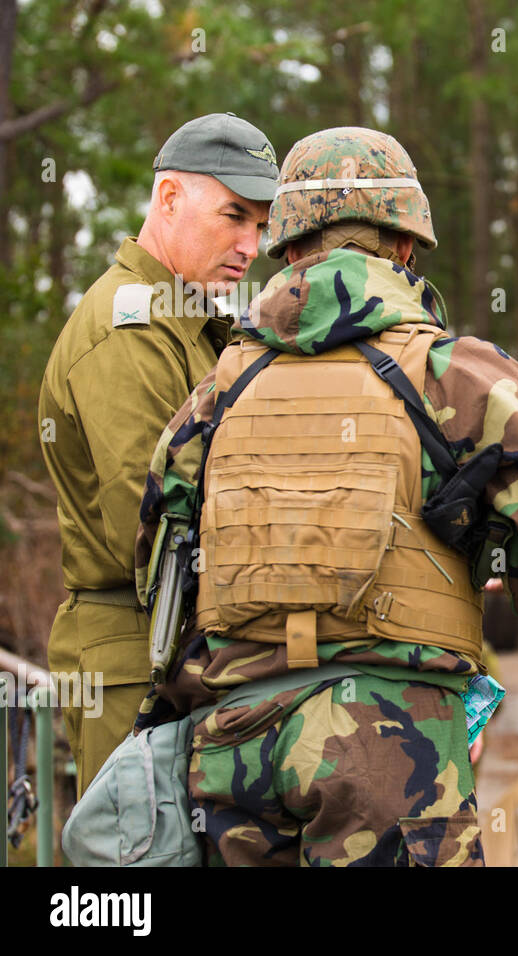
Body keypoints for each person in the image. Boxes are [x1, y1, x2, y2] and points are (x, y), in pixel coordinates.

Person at [133, 126, 518, 866]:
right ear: (405, 247)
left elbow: (159, 581)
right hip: (390, 755)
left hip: (232, 759)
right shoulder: (461, 377)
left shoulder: (213, 396)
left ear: (289, 247)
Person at [38, 112, 277, 796]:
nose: (250, 245)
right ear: (168, 199)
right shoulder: (130, 327)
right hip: (137, 666)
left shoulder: (193, 325)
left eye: (260, 227)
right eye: (234, 216)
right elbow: (153, 528)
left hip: (183, 653)